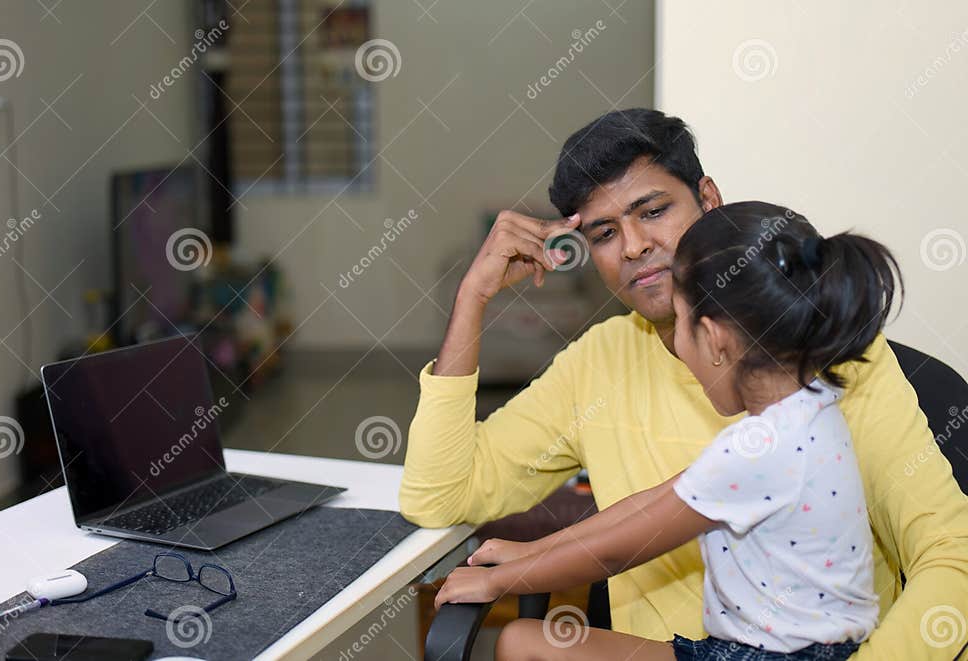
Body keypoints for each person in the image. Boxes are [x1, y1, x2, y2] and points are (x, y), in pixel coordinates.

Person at [399, 109, 968, 659]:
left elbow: (952, 556)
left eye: (652, 211)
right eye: (604, 232)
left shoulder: (832, 357)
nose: (633, 246)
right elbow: (439, 495)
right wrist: (472, 296)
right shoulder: (599, 360)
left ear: (709, 200)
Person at [433, 202, 896, 660]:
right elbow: (654, 502)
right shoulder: (807, 411)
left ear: (714, 338)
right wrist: (534, 551)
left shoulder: (757, 450)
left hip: (766, 657)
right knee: (527, 639)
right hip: (815, 651)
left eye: (681, 324)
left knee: (520, 642)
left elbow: (618, 552)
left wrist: (498, 581)